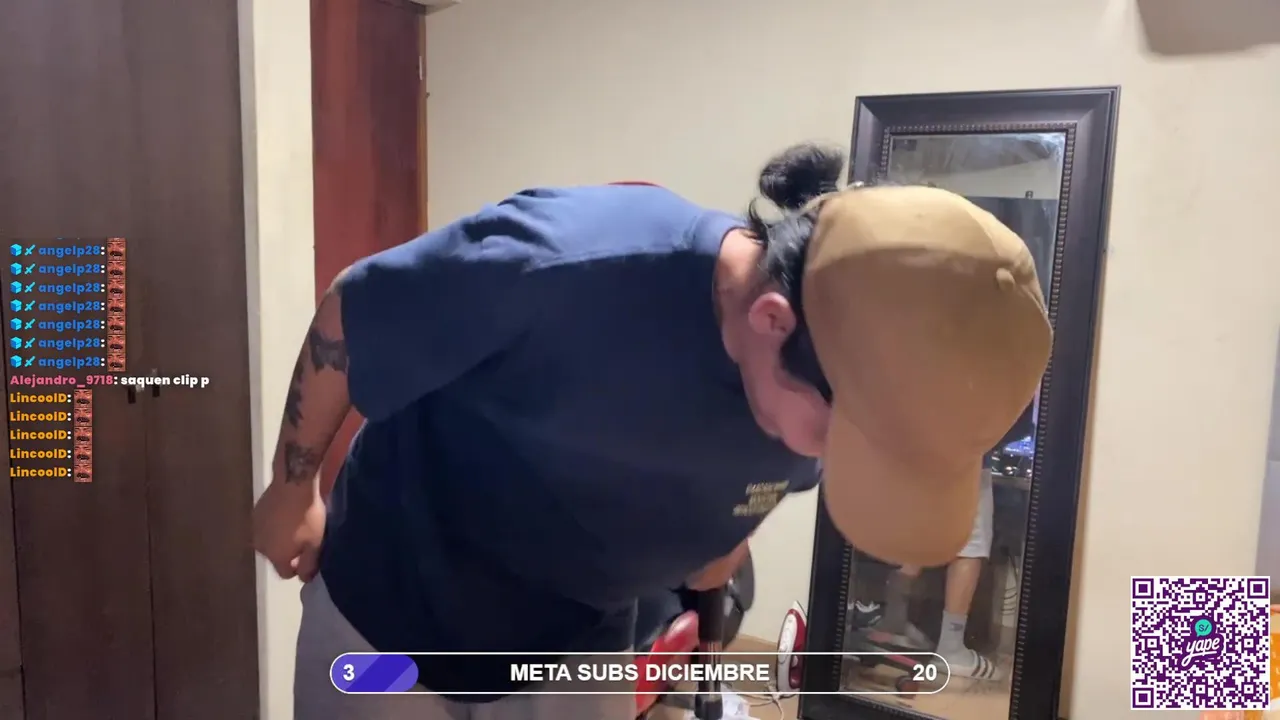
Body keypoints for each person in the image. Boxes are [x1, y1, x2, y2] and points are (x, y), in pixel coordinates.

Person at [252, 142, 1052, 720]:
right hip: (393, 627)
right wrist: (293, 490)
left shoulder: (825, 389)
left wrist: (711, 554)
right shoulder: (573, 263)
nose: (826, 459)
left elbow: (739, 512)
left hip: (575, 647)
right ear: (772, 321)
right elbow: (356, 313)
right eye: (845, 440)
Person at [877, 467, 1001, 680]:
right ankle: (951, 647)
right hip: (964, 458)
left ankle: (894, 620)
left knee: (922, 525)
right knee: (970, 542)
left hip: (915, 458)